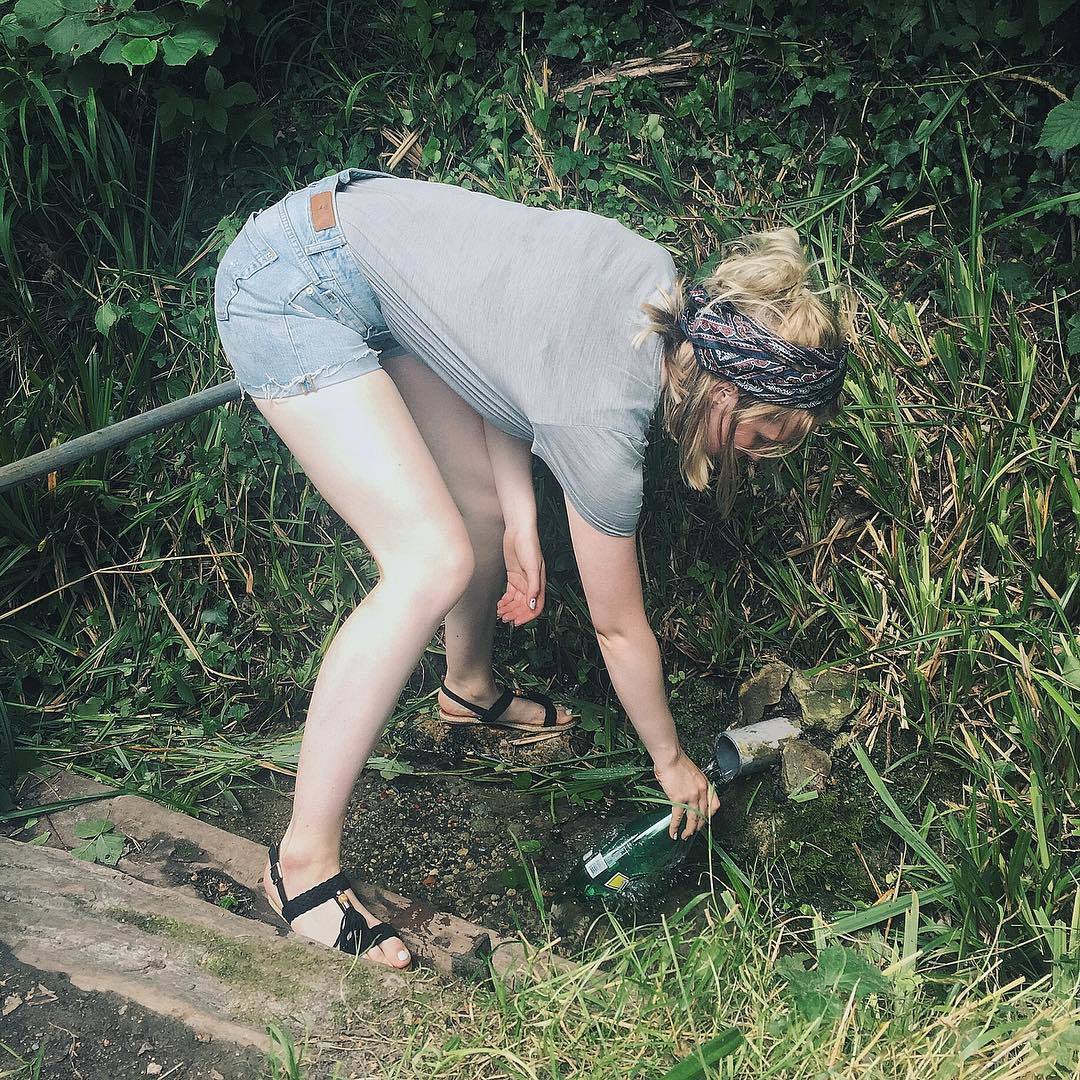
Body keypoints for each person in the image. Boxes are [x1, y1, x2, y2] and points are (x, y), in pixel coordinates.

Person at [212, 167, 848, 971]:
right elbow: (620, 629)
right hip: (294, 281)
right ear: (723, 395)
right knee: (427, 561)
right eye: (759, 439)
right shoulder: (605, 427)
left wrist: (517, 512)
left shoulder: (649, 281)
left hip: (360, 263)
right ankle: (300, 866)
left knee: (472, 514)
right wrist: (671, 763)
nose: (753, 461)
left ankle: (467, 690)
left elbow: (508, 345)